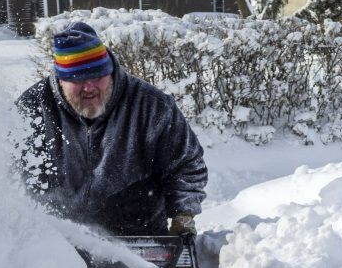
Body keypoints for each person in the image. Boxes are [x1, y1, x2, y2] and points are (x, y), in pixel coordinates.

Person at [15, 21, 207, 238]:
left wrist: (184, 214)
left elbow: (186, 165)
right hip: (58, 245)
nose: (89, 88)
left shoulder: (151, 106)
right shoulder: (32, 109)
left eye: (97, 76)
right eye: (78, 79)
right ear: (61, 80)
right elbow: (9, 176)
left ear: (110, 72)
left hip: (140, 239)